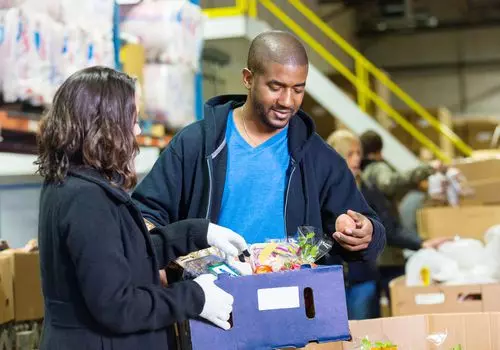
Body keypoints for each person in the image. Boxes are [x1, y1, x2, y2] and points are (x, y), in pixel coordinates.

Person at [36, 66, 249, 350]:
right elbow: (116, 305)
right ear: (104, 125)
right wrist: (194, 298)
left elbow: (122, 257)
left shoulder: (71, 185)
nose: (136, 130)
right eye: (132, 120)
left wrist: (198, 232)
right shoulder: (86, 200)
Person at [132, 31, 386, 266]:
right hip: (211, 299)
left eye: (298, 89)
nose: (287, 101)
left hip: (292, 299)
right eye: (276, 87)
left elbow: (368, 230)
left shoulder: (317, 156)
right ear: (248, 78)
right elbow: (146, 213)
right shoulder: (196, 144)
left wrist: (365, 232)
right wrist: (160, 261)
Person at [359, 130, 449, 300]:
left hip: (371, 257)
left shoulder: (360, 177)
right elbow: (390, 183)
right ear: (379, 152)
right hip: (388, 253)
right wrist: (427, 169)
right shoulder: (377, 169)